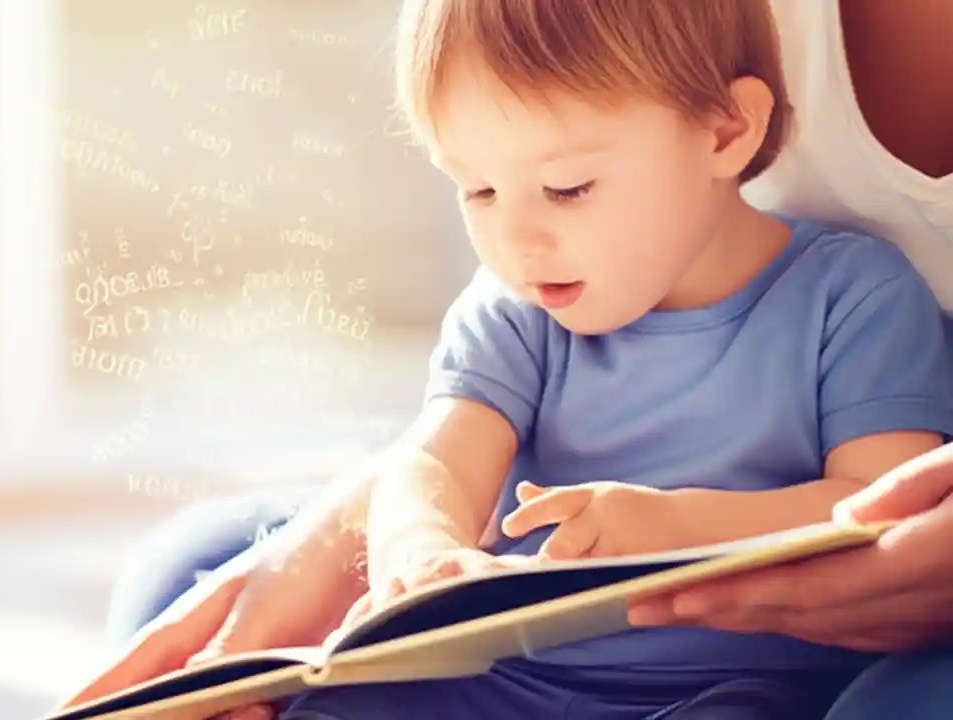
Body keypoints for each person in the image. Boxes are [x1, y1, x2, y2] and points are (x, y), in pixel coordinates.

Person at [82, 1, 953, 718]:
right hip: (510, 676)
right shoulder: (519, 306)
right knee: (244, 651)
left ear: (727, 130)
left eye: (568, 188)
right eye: (478, 189)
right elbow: (435, 458)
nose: (517, 236)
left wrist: (674, 529)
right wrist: (423, 553)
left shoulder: (855, 296)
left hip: (729, 689)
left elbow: (880, 511)